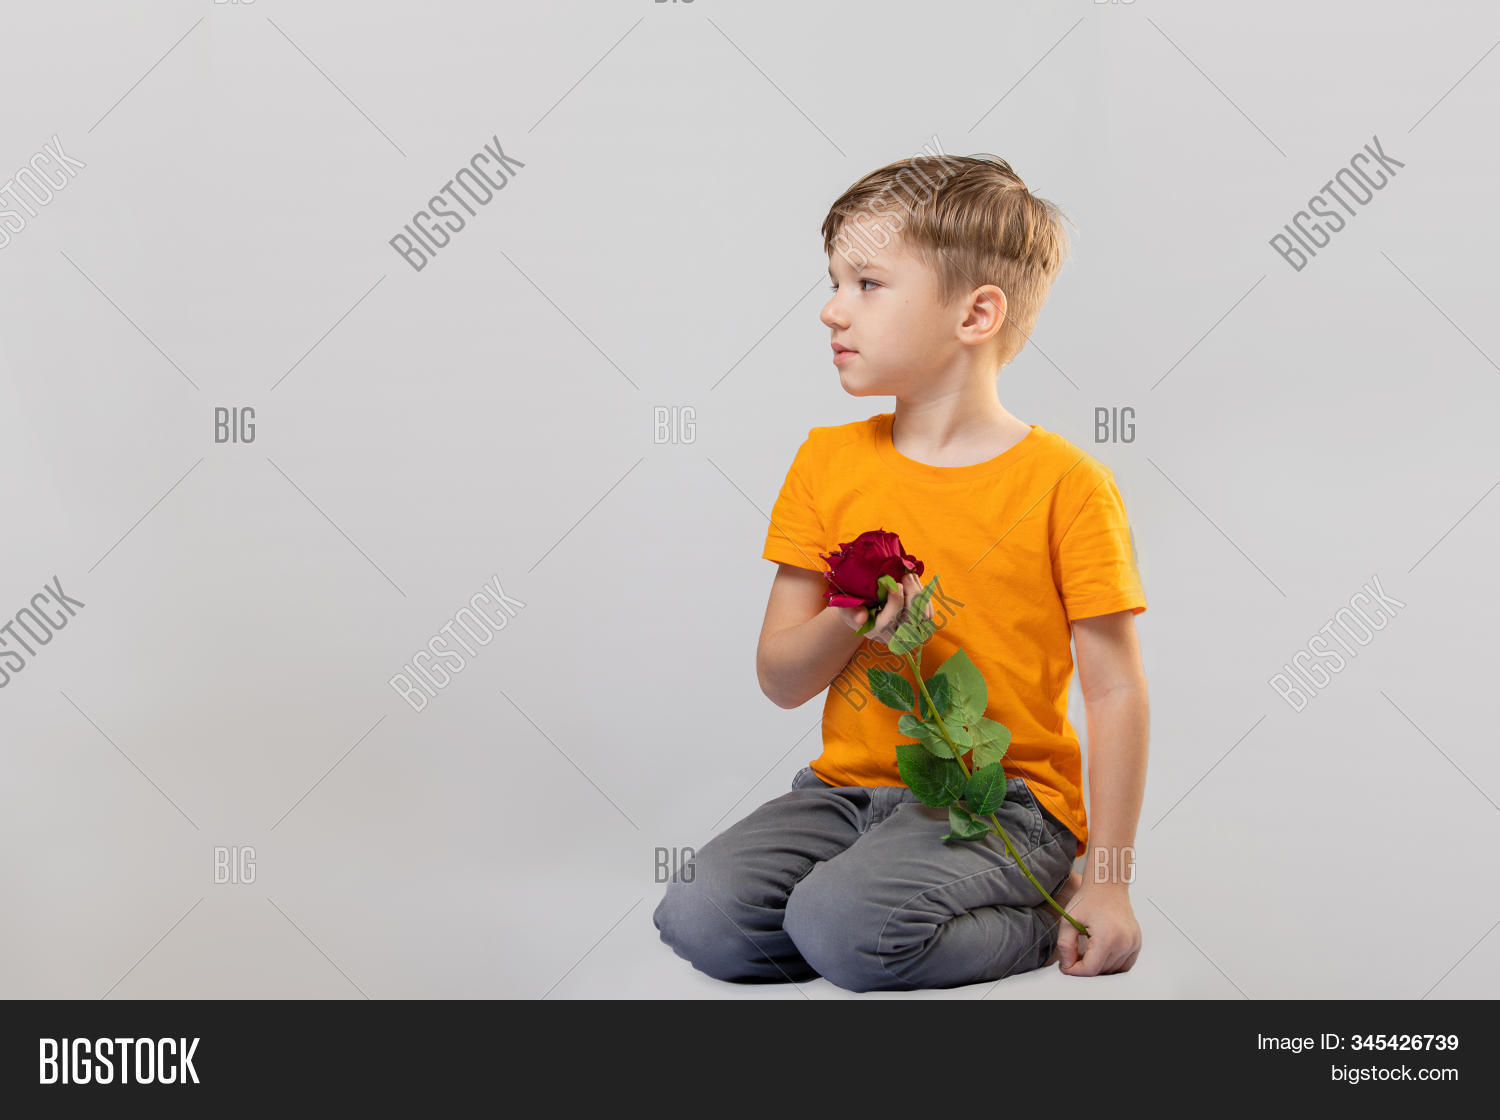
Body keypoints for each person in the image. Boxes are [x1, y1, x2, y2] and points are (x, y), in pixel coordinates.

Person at [653, 153, 1149, 991]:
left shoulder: (1066, 485)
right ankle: (863, 917)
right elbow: (781, 680)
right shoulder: (826, 462)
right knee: (701, 916)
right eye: (834, 280)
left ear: (976, 313)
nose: (830, 309)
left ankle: (1039, 911)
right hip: (846, 793)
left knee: (839, 922)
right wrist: (848, 619)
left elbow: (1115, 691)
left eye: (867, 285)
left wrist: (1110, 879)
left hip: (1003, 803)